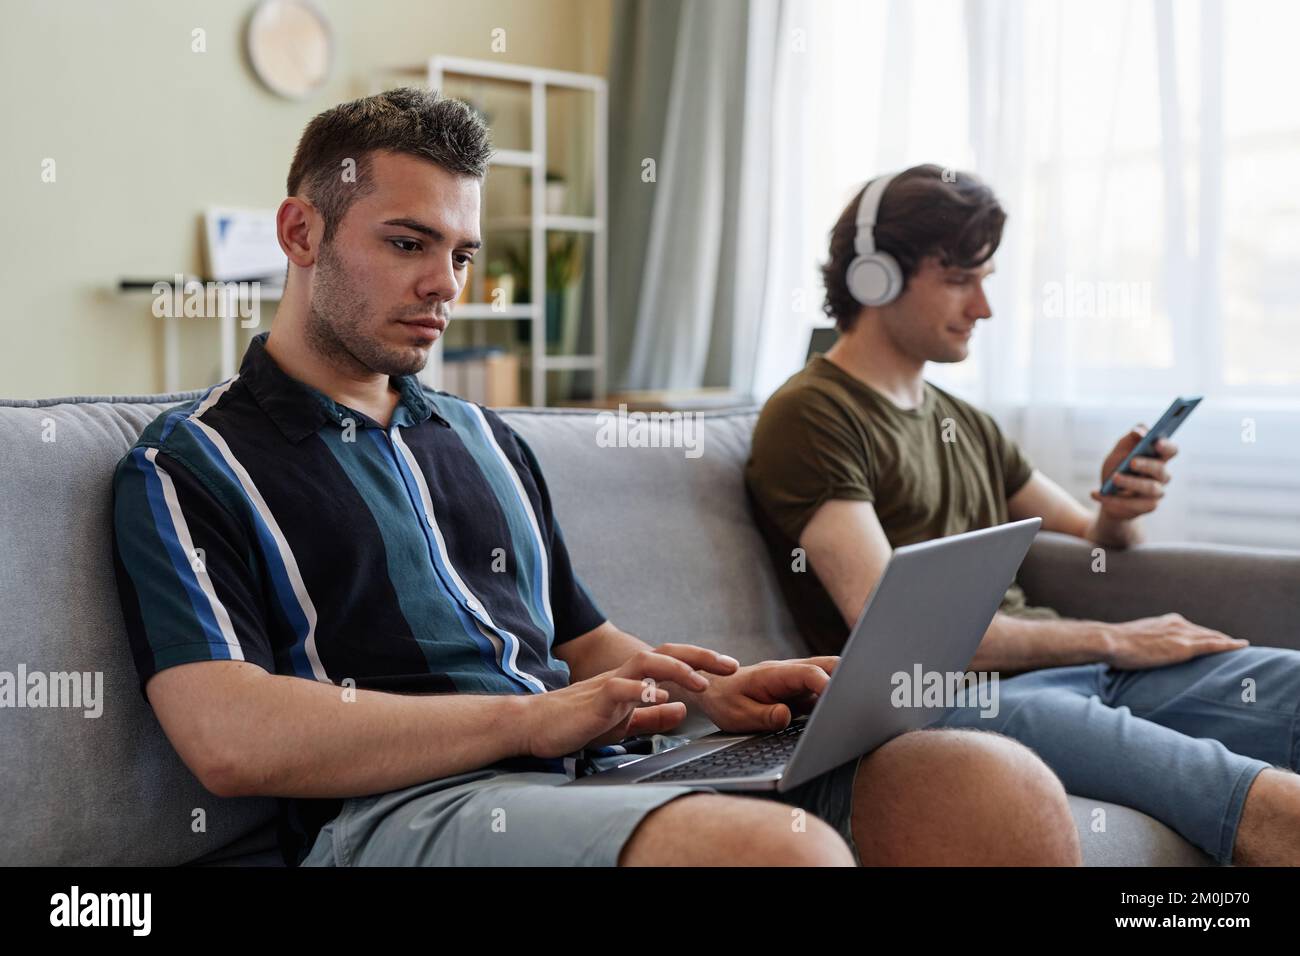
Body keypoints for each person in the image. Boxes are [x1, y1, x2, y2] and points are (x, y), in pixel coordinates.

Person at [111, 94, 1080, 868]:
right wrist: (530, 717)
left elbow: (581, 643)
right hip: (398, 813)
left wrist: (717, 690)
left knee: (986, 778)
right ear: (301, 233)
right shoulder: (190, 464)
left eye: (461, 254)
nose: (445, 284)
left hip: (599, 771)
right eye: (407, 243)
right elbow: (227, 735)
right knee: (775, 852)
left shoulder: (484, 438)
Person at [745, 163, 1300, 866]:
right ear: (874, 278)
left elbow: (1094, 539)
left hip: (1072, 668)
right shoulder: (812, 415)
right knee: (1242, 791)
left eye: (987, 279)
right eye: (959, 279)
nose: (984, 307)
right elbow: (905, 639)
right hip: (949, 704)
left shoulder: (964, 423)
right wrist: (1115, 639)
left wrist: (1120, 506)